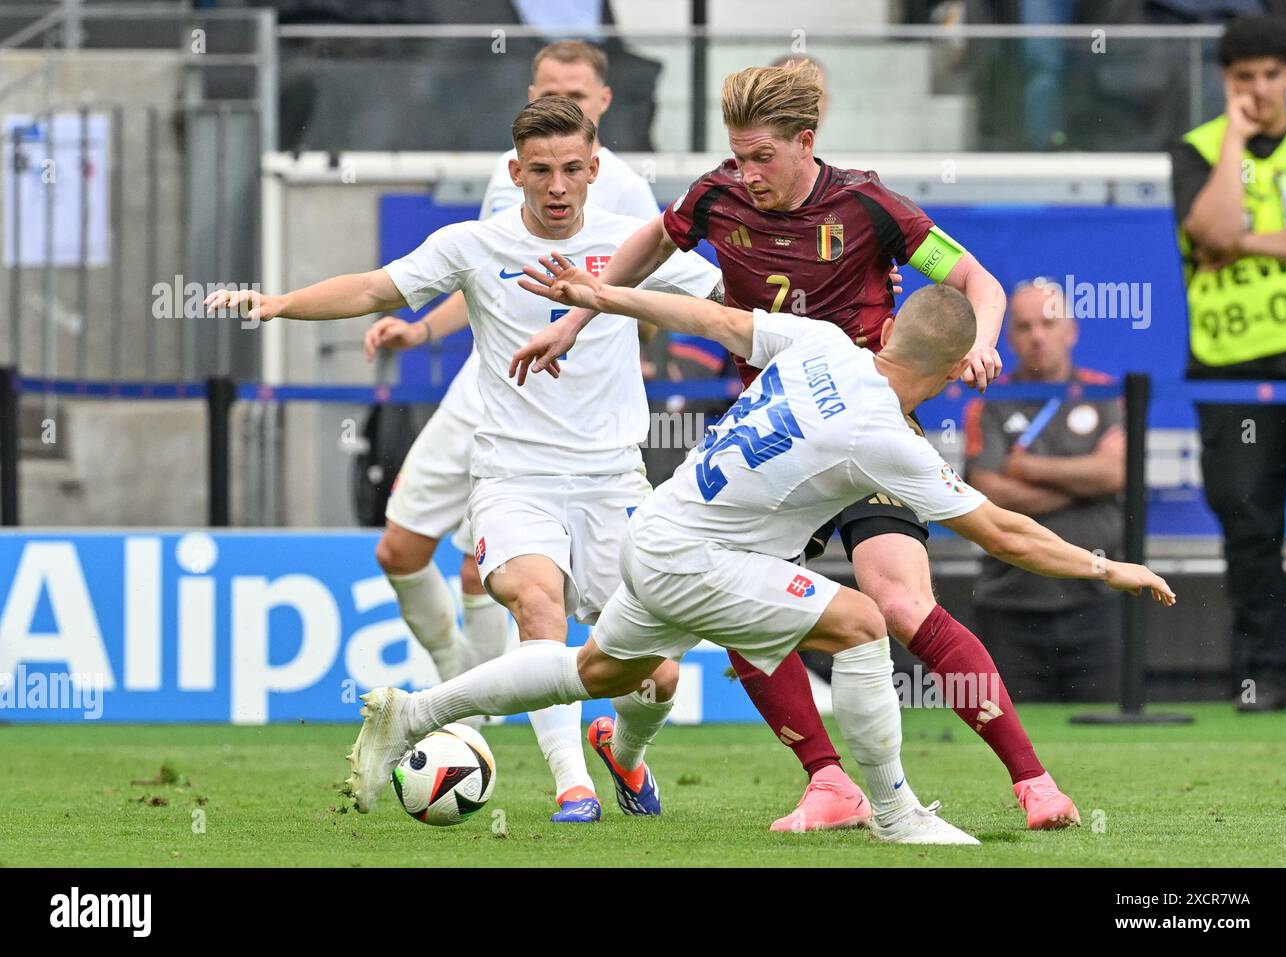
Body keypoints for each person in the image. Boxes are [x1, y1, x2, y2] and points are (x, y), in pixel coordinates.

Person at [341, 262, 1175, 840]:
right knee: (859, 622)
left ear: (889, 332)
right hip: (695, 557)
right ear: (956, 370)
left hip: (660, 525)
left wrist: (604, 295)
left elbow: (716, 319)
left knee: (592, 672)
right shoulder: (887, 438)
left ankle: (412, 712)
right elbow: (1002, 531)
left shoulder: (824, 346)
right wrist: (1108, 565)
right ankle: (894, 811)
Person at [514, 61, 1082, 835]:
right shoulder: (715, 195)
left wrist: (982, 341)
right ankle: (829, 780)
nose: (744, 175)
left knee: (903, 603)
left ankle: (1033, 780)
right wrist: (576, 318)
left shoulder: (867, 204)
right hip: (775, 439)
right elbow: (652, 241)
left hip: (873, 431)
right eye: (737, 156)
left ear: (804, 143)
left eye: (760, 159)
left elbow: (978, 279)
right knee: (749, 609)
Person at [207, 96, 721, 822]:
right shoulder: (474, 245)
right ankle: (571, 785)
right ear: (515, 171)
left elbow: (733, 298)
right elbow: (372, 287)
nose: (556, 185)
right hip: (515, 477)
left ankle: (625, 752)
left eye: (572, 169)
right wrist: (278, 302)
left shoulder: (632, 244)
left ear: (594, 168)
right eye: (540, 169)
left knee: (655, 674)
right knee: (537, 604)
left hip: (614, 481)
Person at [357, 39, 663, 714]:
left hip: (572, 426)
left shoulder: (627, 198)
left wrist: (619, 331)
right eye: (548, 90)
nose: (556, 184)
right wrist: (420, 329)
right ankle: (464, 682)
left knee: (499, 575)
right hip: (486, 391)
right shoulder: (519, 173)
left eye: (578, 96)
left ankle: (482, 711)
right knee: (400, 548)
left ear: (602, 106)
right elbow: (478, 277)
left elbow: (667, 290)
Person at [1172, 14, 1286, 712]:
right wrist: (1237, 146)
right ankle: (1266, 677)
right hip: (1232, 372)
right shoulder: (1198, 149)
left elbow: (1227, 241)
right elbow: (1214, 230)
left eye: (1271, 74)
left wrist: (1245, 243)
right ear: (1226, 80)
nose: (1258, 88)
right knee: (1251, 533)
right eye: (1243, 77)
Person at [963, 279, 1125, 701]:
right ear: (1008, 336)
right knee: (1018, 741)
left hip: (1098, 600)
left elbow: (1115, 474)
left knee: (1108, 740)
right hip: (1011, 604)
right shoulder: (990, 401)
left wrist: (1028, 468)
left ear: (1071, 330)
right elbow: (987, 493)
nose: (1037, 336)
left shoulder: (1107, 394)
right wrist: (1081, 485)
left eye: (1048, 324)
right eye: (1023, 326)